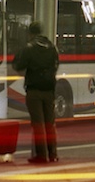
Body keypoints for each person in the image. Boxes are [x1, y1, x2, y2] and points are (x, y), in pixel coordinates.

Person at [10, 25, 60, 164]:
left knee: (38, 124)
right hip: (49, 89)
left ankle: (41, 155)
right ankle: (53, 153)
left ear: (30, 33)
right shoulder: (52, 47)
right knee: (50, 123)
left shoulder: (29, 48)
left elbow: (18, 65)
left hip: (34, 89)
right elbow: (56, 64)